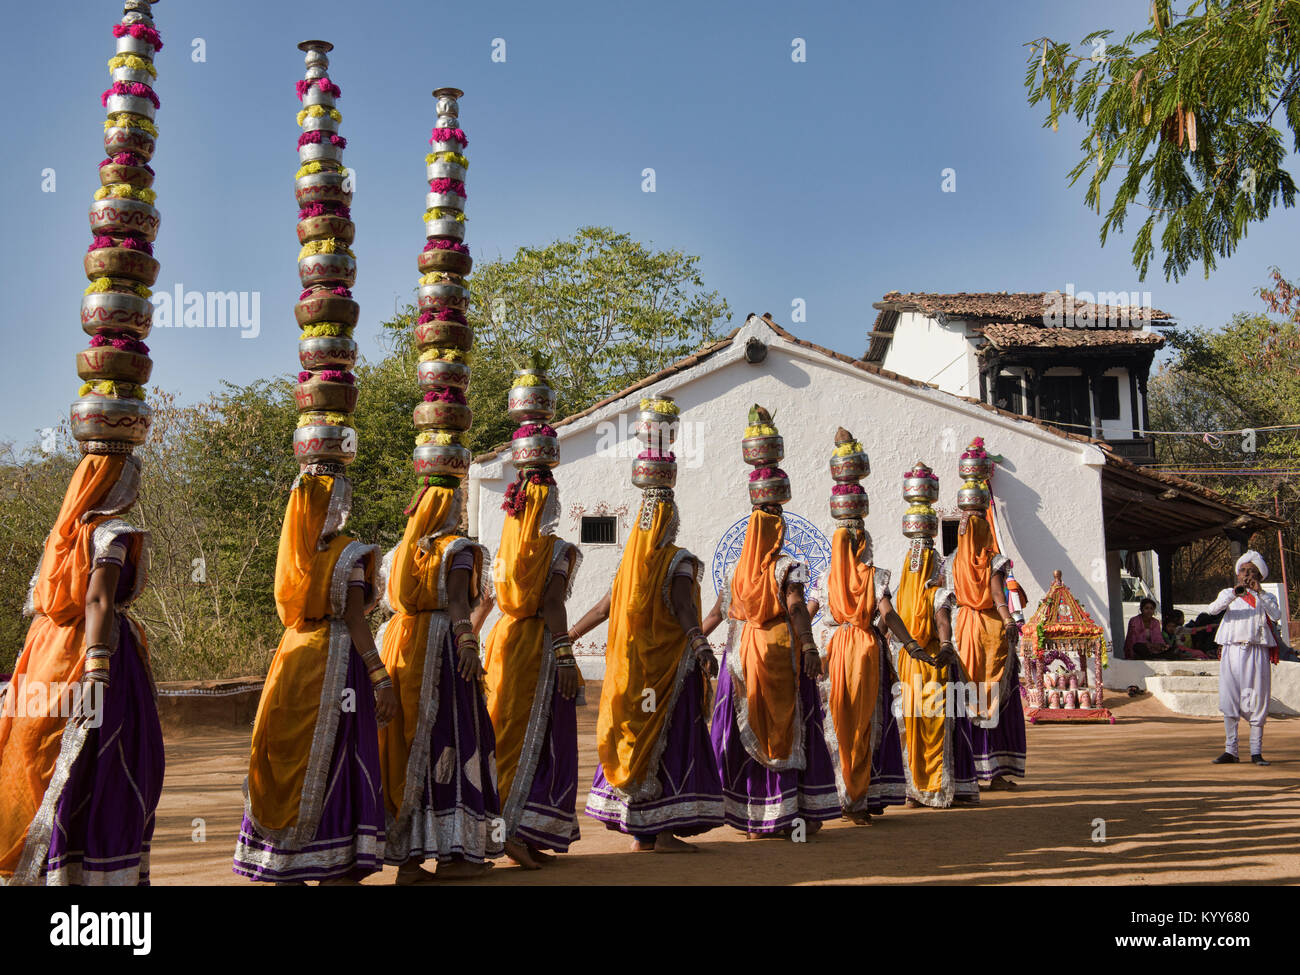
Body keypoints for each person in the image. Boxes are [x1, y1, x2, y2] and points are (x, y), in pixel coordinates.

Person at [0, 454, 164, 885]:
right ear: (113, 486)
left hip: (47, 652)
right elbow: (98, 601)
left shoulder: (65, 535)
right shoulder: (112, 533)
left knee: (43, 753)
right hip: (96, 649)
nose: (134, 490)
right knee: (108, 758)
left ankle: (40, 863)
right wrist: (98, 668)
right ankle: (87, 868)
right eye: (130, 479)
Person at [233, 469, 394, 884]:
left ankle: (285, 863)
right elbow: (356, 618)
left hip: (294, 658)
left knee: (296, 757)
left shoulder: (298, 558)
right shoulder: (350, 554)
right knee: (339, 755)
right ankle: (335, 861)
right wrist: (379, 676)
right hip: (338, 663)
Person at [571, 485, 725, 851]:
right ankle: (664, 833)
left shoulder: (630, 566)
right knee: (669, 742)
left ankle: (641, 834)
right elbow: (685, 606)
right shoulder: (679, 561)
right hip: (669, 670)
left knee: (636, 741)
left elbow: (602, 608)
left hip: (632, 673)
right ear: (669, 521)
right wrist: (699, 642)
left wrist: (568, 635)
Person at [376, 480, 501, 882]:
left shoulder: (402, 552)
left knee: (411, 744)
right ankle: (454, 854)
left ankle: (408, 861)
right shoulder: (457, 549)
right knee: (457, 737)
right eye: (459, 501)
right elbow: (461, 602)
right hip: (443, 654)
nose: (462, 509)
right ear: (447, 507)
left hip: (403, 648)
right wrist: (467, 641)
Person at [481, 468, 582, 869]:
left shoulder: (507, 552)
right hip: (539, 646)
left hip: (503, 643)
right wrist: (565, 655)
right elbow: (554, 603)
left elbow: (486, 601)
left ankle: (519, 829)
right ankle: (513, 831)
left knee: (506, 736)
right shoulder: (555, 550)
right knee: (535, 739)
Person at [892, 465, 979, 810]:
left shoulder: (902, 591)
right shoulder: (934, 582)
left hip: (909, 662)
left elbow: (889, 621)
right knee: (941, 726)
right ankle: (943, 788)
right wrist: (945, 645)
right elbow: (941, 614)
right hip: (934, 662)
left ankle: (916, 789)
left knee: (913, 726)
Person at [821, 520, 910, 823]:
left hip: (835, 652)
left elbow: (804, 616)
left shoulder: (826, 579)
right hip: (867, 653)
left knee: (839, 724)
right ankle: (857, 800)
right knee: (864, 725)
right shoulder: (874, 577)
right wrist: (910, 644)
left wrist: (803, 646)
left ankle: (844, 796)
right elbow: (888, 615)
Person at [952, 489, 1027, 790]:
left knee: (968, 696)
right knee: (994, 697)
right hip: (990, 632)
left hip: (964, 628)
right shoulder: (991, 559)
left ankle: (970, 769)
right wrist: (1009, 618)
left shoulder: (954, 561)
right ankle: (993, 771)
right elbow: (998, 594)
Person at [1208, 551, 1281, 766]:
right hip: (1231, 651)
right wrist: (1233, 594)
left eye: (1251, 571)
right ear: (1237, 574)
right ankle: (1231, 750)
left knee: (1257, 699)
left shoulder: (1266, 597)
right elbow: (1212, 610)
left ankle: (1256, 751)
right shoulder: (1228, 593)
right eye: (1243, 570)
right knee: (1229, 699)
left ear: (1259, 575)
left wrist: (1259, 593)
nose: (1246, 574)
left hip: (1256, 651)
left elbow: (1276, 615)